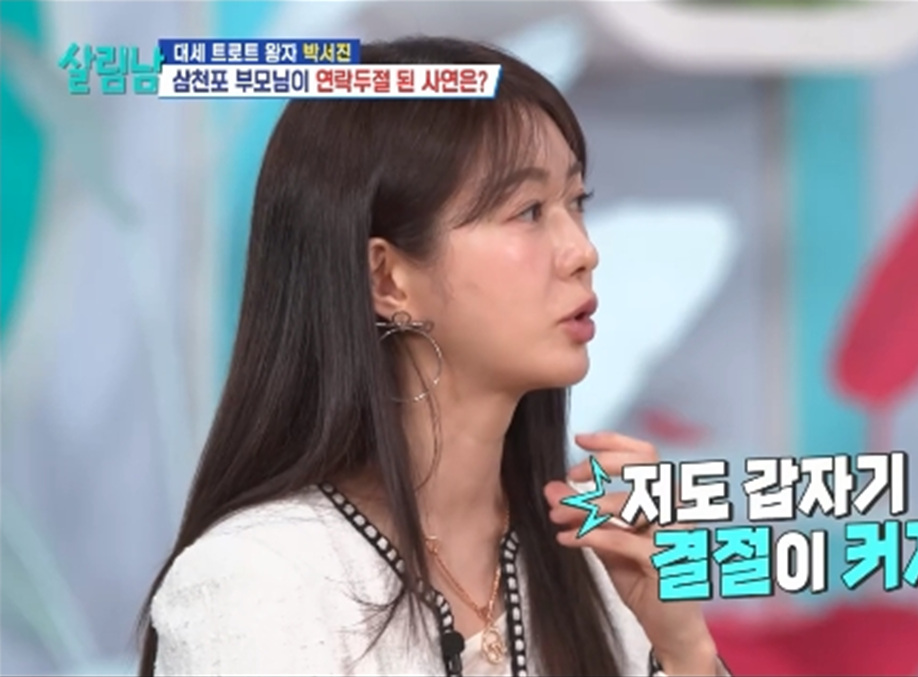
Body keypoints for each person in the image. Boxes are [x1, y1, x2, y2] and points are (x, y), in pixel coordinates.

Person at [137, 37, 729, 677]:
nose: (583, 251)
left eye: (576, 203)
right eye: (529, 211)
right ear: (386, 279)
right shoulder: (258, 580)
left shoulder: (599, 560)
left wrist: (684, 650)